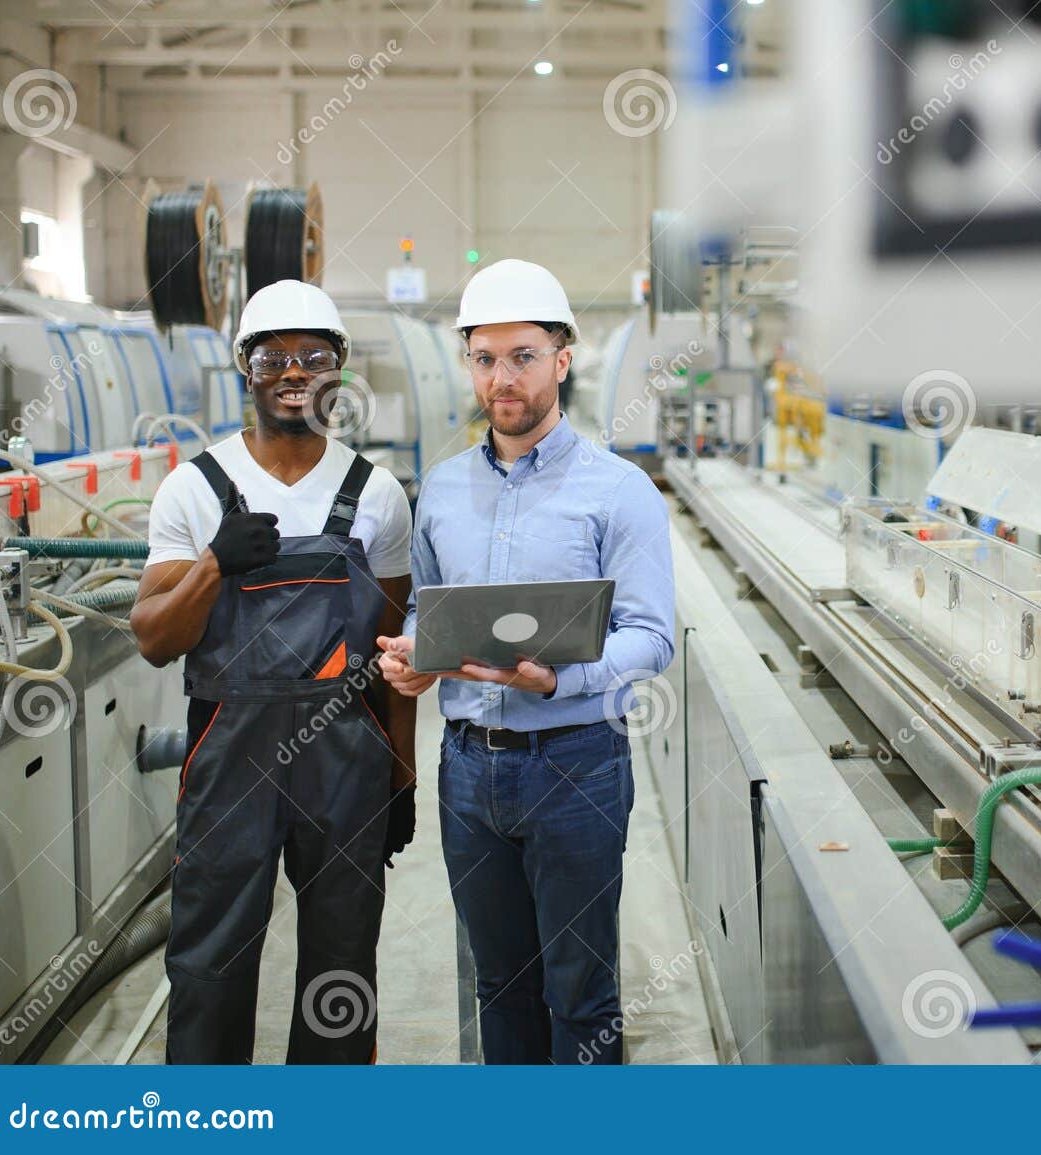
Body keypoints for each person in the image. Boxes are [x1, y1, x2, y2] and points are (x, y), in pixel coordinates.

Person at [376, 259, 674, 1065]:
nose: (502, 378)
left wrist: (561, 679)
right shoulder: (441, 490)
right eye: (485, 358)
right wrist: (416, 657)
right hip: (469, 771)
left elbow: (652, 635)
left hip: (576, 765)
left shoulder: (618, 491)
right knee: (499, 985)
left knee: (581, 994)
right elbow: (426, 608)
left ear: (562, 360)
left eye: (522, 357)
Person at [130, 280, 417, 1064]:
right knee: (209, 963)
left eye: (313, 357)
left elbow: (393, 651)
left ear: (338, 369)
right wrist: (211, 566)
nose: (294, 371)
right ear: (245, 368)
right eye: (273, 356)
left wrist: (401, 777)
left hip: (346, 762)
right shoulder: (194, 489)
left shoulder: (376, 495)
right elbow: (153, 637)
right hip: (231, 760)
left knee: (342, 962)